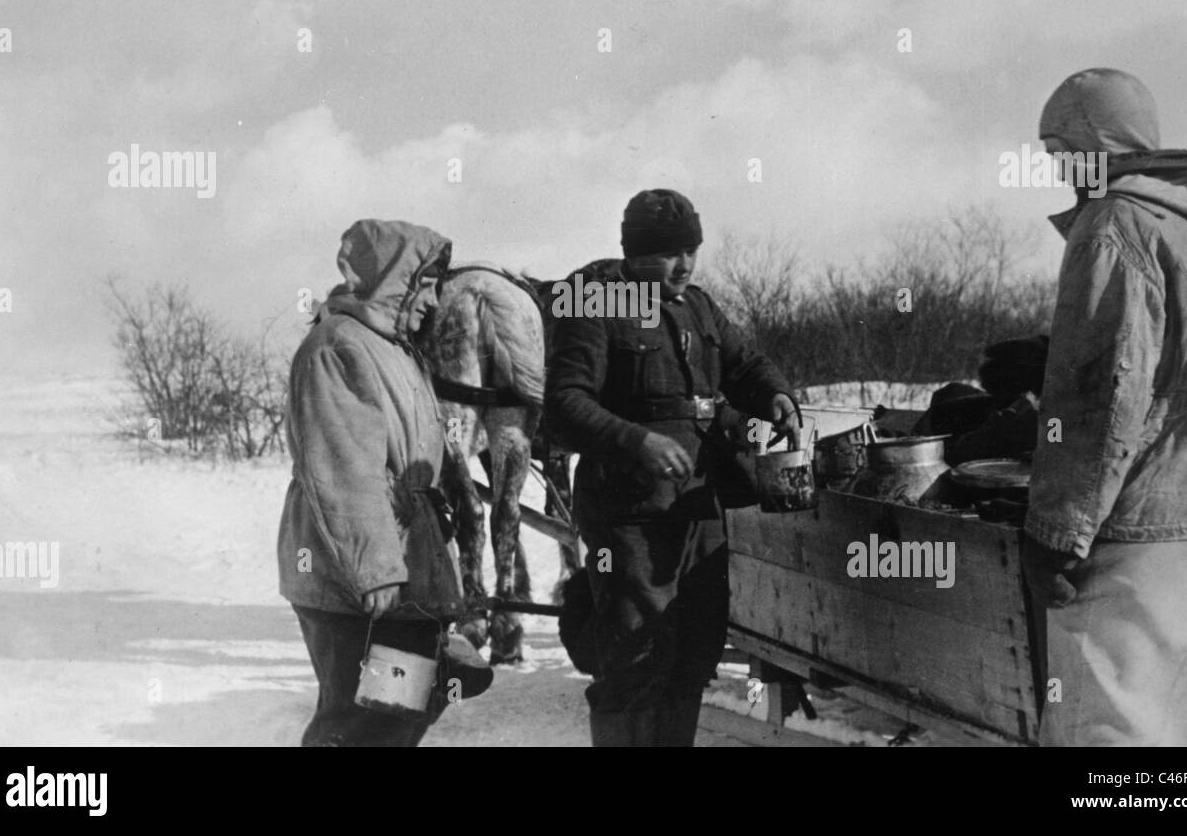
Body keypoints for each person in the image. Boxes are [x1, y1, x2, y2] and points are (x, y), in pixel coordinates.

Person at [1022, 68, 1187, 745]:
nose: (1058, 169)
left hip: (1146, 544)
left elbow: (1101, 397)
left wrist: (1057, 531)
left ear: (1093, 147)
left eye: (1061, 150)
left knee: (1116, 736)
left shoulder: (1114, 222)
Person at [546, 188, 800, 746]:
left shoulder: (699, 305)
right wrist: (636, 441)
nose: (683, 264)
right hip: (630, 514)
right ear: (633, 253)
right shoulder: (595, 302)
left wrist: (776, 396)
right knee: (635, 654)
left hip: (699, 506)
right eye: (667, 253)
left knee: (694, 650)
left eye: (691, 250)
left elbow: (745, 364)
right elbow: (565, 403)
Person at [278, 219, 488, 746]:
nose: (433, 300)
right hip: (356, 581)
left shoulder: (393, 350)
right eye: (426, 285)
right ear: (393, 280)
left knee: (398, 713)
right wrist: (374, 570)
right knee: (360, 722)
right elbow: (344, 467)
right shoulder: (336, 347)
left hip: (404, 571)